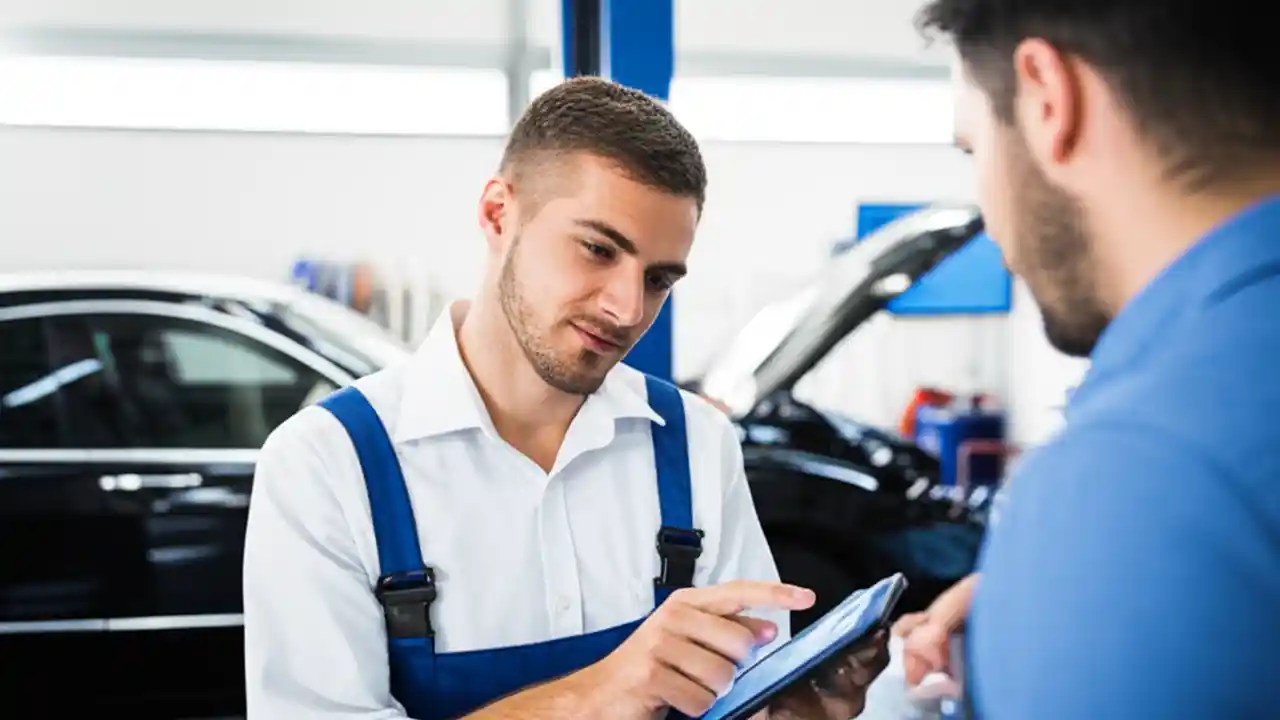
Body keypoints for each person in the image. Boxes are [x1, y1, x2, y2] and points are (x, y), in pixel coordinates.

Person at [242, 76, 888, 720]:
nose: (627, 308)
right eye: (597, 250)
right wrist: (600, 693)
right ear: (498, 214)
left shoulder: (698, 444)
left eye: (658, 279)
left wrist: (796, 712)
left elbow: (743, 696)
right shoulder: (326, 464)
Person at [895, 1, 1280, 717]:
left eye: (974, 151)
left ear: (1048, 98)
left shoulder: (1143, 473)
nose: (988, 215)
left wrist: (1082, 582)